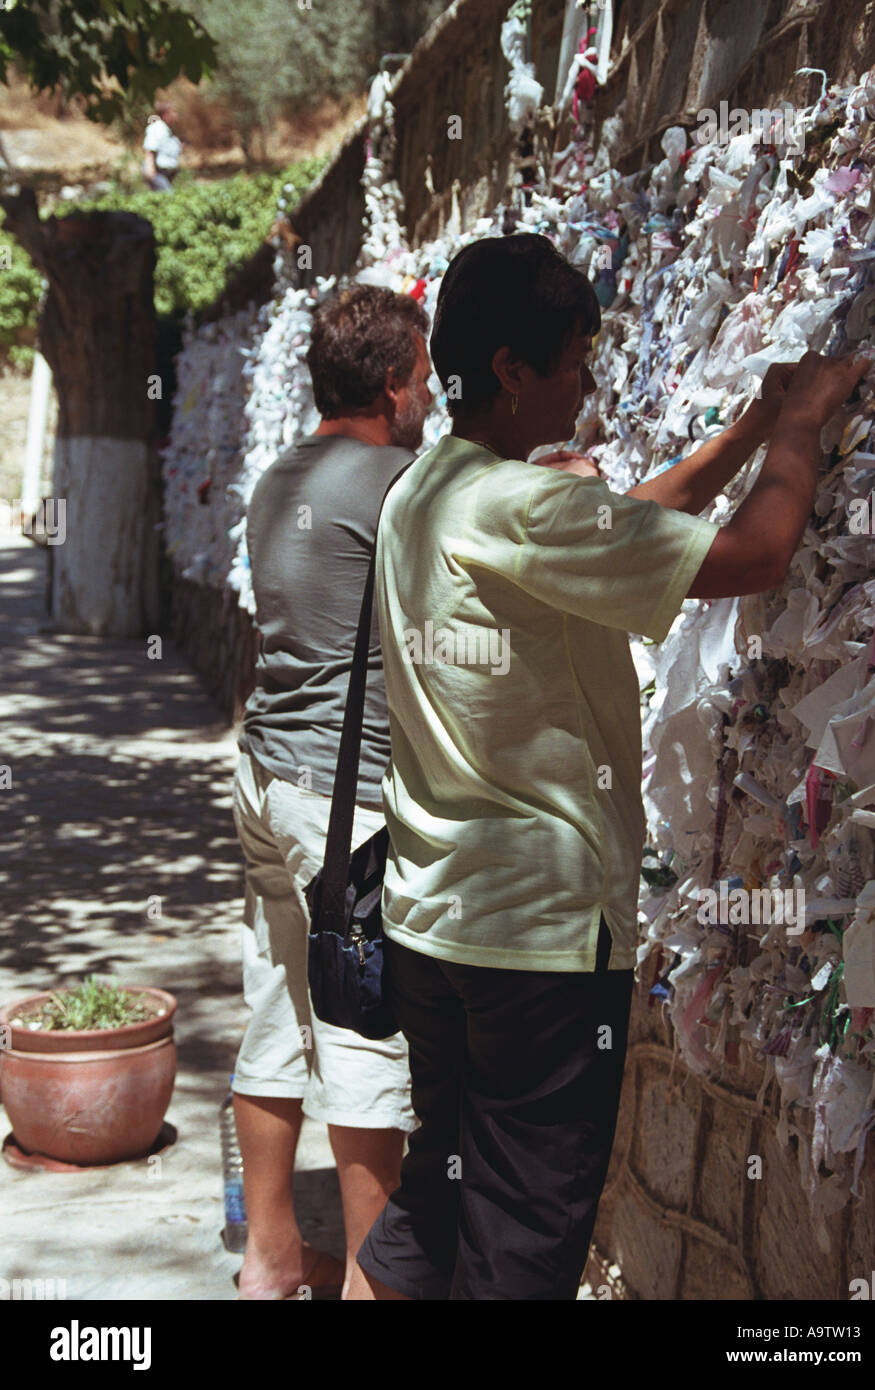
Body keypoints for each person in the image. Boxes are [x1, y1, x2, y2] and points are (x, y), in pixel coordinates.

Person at [351, 232, 870, 1300]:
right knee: (520, 1247)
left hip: (432, 925)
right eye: (576, 359)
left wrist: (748, 427)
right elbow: (756, 558)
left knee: (433, 1202)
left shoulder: (432, 492)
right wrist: (807, 424)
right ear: (508, 368)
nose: (588, 384)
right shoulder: (521, 505)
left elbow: (629, 526)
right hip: (533, 947)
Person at [230, 283, 433, 1300]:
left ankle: (268, 1262)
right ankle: (368, 1282)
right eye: (427, 377)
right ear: (393, 384)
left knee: (275, 1007)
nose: (431, 397)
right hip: (342, 800)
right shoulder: (400, 482)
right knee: (363, 1034)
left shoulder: (280, 476)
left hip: (264, 775)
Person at [143, 101, 182, 191]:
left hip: (166, 173)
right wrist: (150, 168)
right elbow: (150, 149)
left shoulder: (166, 129)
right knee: (168, 198)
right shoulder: (157, 128)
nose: (176, 114)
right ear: (166, 115)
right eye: (174, 112)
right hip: (157, 173)